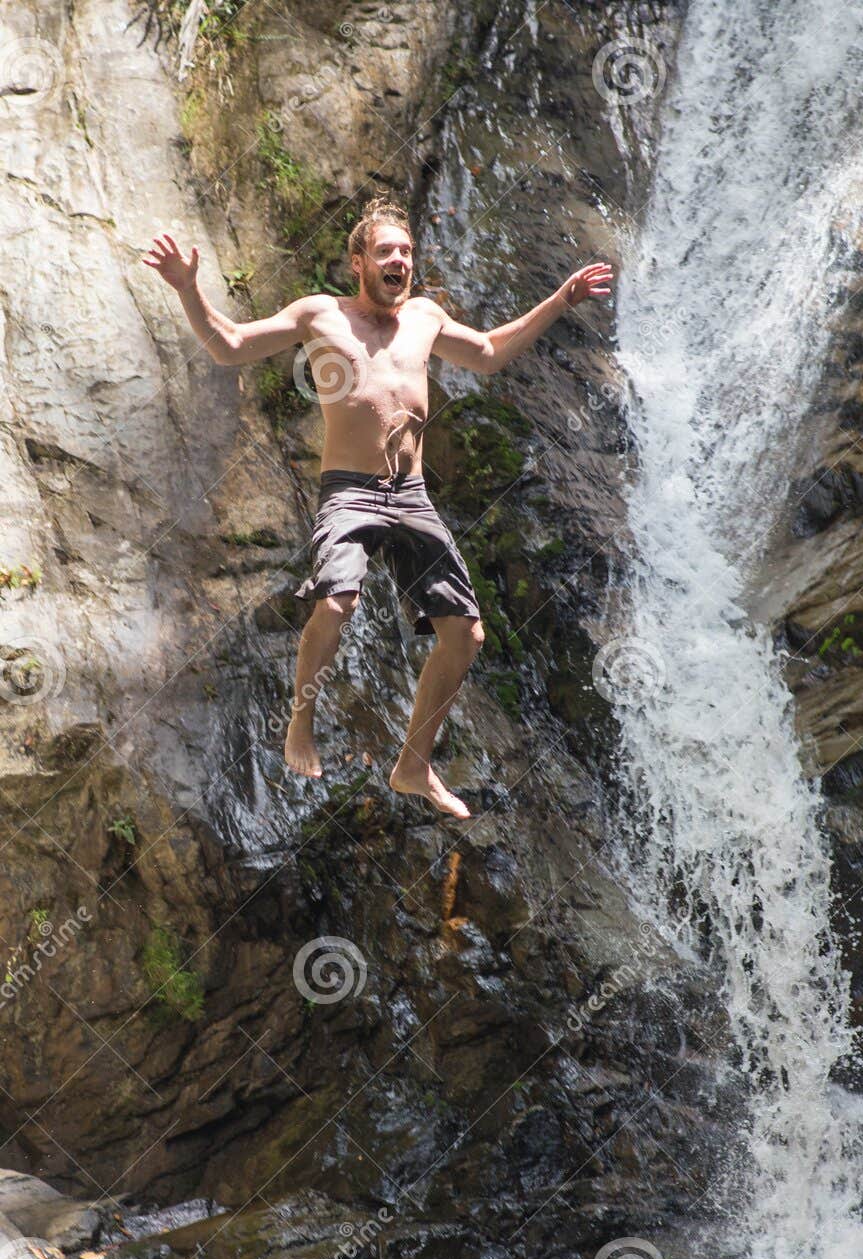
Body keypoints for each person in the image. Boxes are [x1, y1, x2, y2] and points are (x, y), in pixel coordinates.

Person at [144, 198, 613, 817]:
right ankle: (300, 724)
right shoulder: (320, 315)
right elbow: (230, 345)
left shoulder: (423, 317)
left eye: (408, 251)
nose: (401, 260)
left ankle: (414, 765)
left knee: (466, 635)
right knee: (337, 601)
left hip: (411, 495)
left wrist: (560, 300)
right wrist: (188, 289)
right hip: (349, 490)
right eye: (387, 251)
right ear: (358, 260)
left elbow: (492, 353)